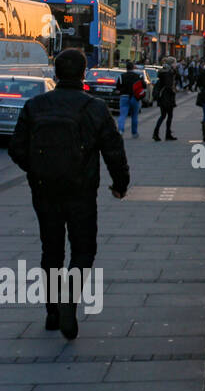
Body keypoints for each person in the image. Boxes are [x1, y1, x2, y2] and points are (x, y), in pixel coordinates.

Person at [8, 49, 130, 340]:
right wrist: (120, 183)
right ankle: (69, 300)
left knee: (51, 250)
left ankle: (52, 310)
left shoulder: (35, 105)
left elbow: (16, 149)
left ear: (55, 73)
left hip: (44, 190)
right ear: (84, 74)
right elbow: (114, 149)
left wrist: (37, 169)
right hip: (81, 190)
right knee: (83, 249)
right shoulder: (95, 108)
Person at [152, 56, 179, 141]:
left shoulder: (164, 71)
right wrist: (173, 91)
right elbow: (168, 86)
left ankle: (158, 133)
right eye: (175, 63)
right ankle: (164, 134)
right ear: (171, 64)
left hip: (163, 96)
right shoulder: (168, 73)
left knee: (163, 115)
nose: (176, 64)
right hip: (167, 97)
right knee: (168, 116)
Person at [115, 61, 145, 137]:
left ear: (126, 68)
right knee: (134, 116)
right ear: (133, 67)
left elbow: (118, 87)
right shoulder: (138, 76)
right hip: (135, 97)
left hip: (124, 97)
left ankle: (121, 130)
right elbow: (143, 85)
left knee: (122, 115)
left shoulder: (122, 76)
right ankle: (134, 133)